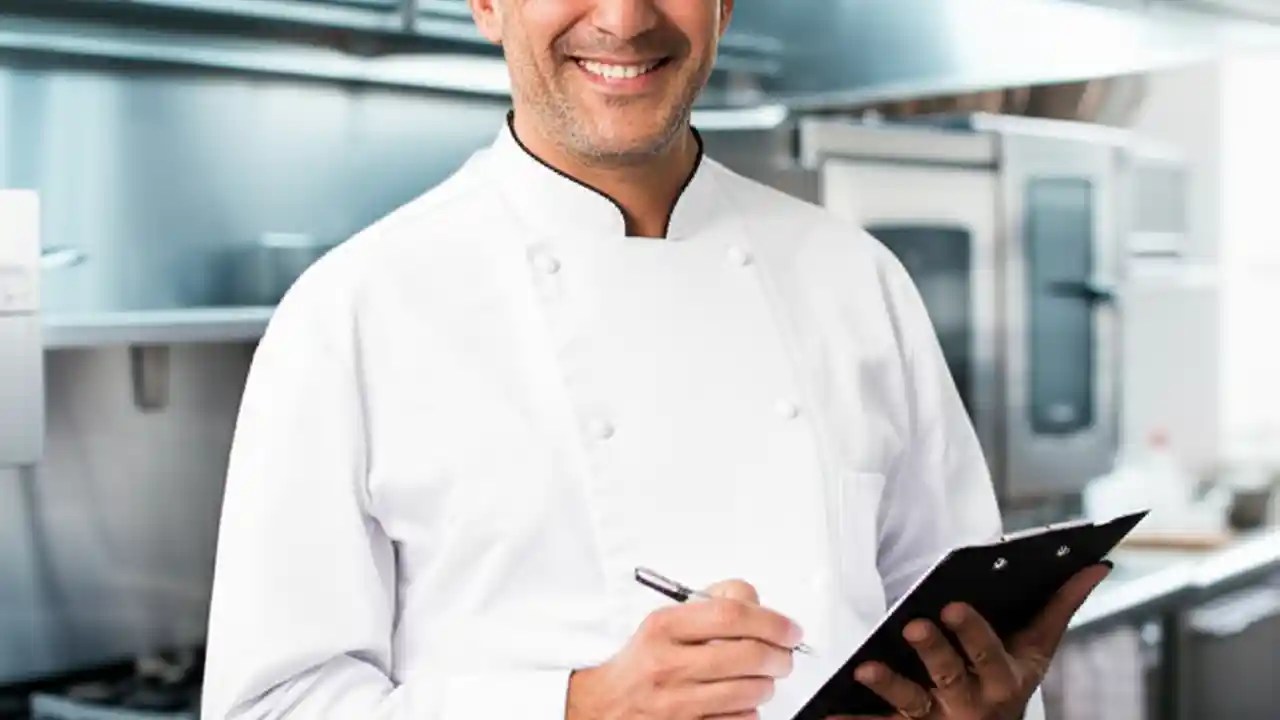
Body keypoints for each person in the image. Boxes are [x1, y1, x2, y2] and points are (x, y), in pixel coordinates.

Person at [201, 1, 1111, 718]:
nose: (625, 18)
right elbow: (271, 707)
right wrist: (574, 710)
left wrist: (979, 702)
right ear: (486, 2)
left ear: (725, 4)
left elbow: (939, 620)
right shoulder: (354, 309)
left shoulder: (855, 277)